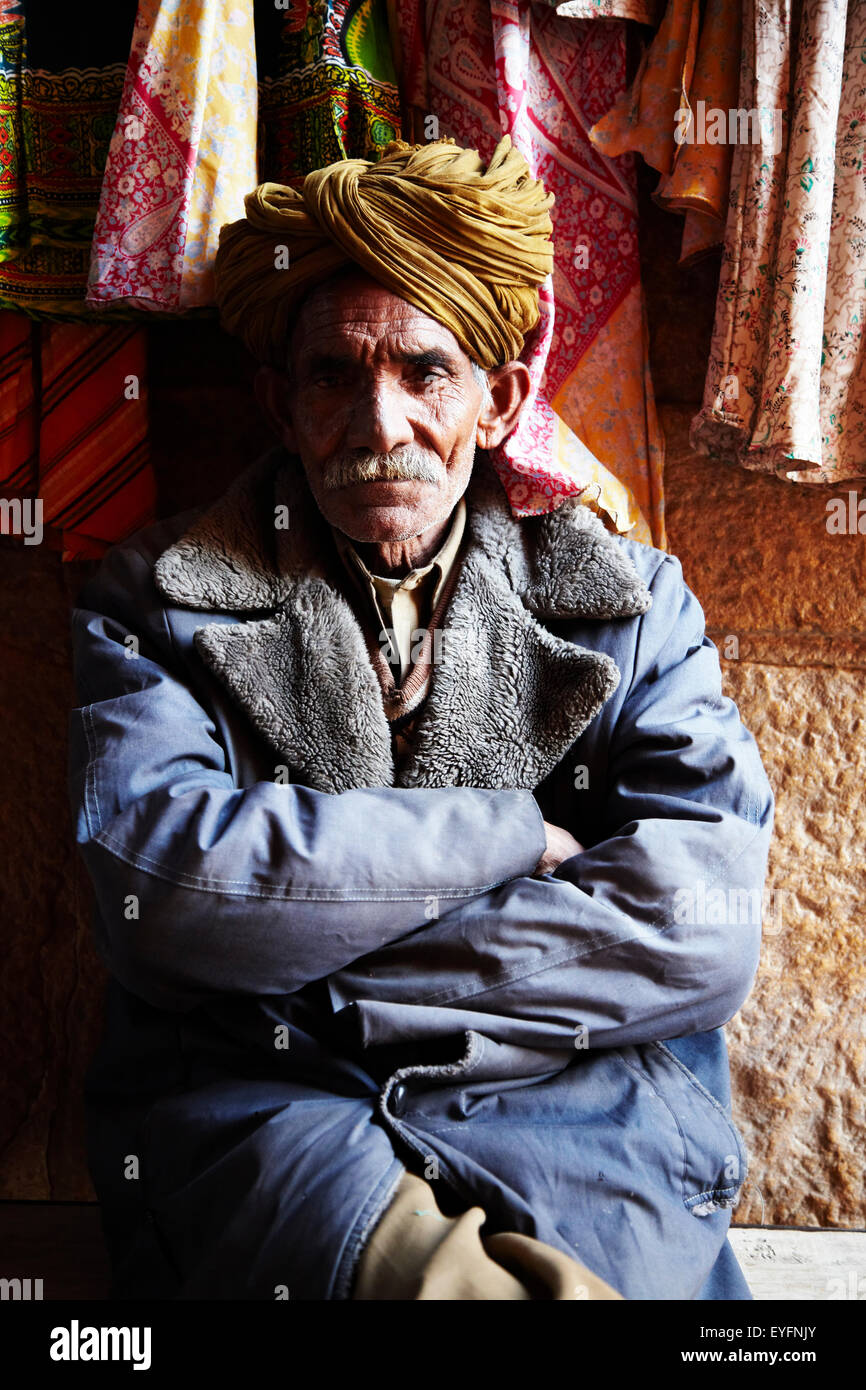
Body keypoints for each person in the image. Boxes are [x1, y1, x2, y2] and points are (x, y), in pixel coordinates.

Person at [68, 135, 774, 1301]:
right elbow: (173, 896)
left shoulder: (629, 604)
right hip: (274, 1110)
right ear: (279, 406)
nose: (376, 422)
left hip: (576, 1110)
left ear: (497, 401)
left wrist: (302, 959)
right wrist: (505, 838)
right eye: (333, 376)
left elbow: (701, 922)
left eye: (422, 372)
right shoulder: (158, 599)